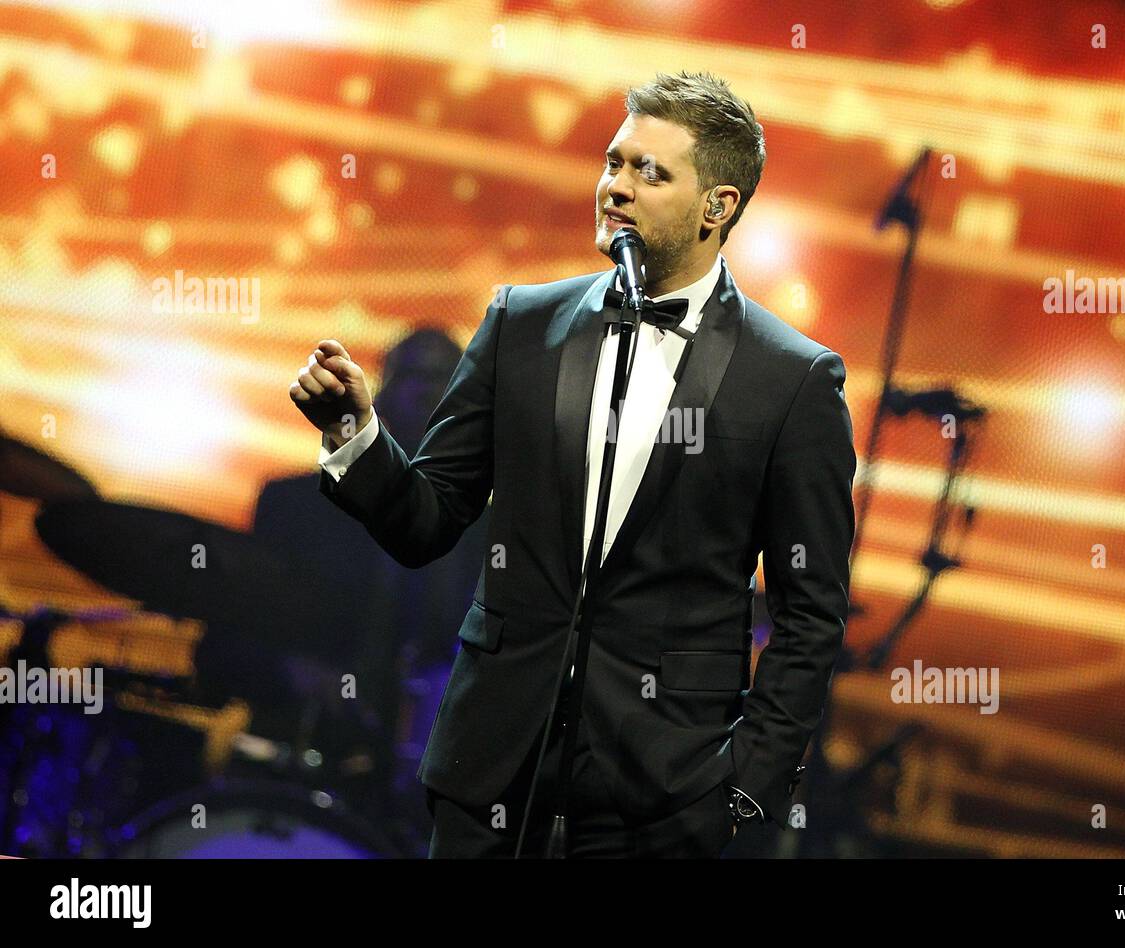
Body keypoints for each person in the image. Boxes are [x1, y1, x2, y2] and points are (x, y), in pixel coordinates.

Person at [289, 71, 856, 858]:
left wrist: (743, 794)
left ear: (717, 208)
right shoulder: (522, 324)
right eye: (613, 163)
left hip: (661, 801)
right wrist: (356, 433)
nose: (616, 187)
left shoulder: (791, 380)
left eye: (648, 172)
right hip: (490, 772)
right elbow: (426, 522)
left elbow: (811, 616)